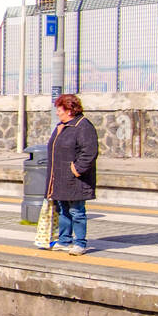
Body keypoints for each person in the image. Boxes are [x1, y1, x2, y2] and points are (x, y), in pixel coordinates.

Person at [46, 93, 98, 255]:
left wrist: (76, 170)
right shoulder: (62, 126)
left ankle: (80, 243)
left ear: (69, 110)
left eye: (59, 109)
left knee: (77, 211)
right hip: (60, 177)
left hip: (75, 179)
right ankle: (64, 240)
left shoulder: (83, 126)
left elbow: (89, 152)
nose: (57, 112)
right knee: (63, 210)